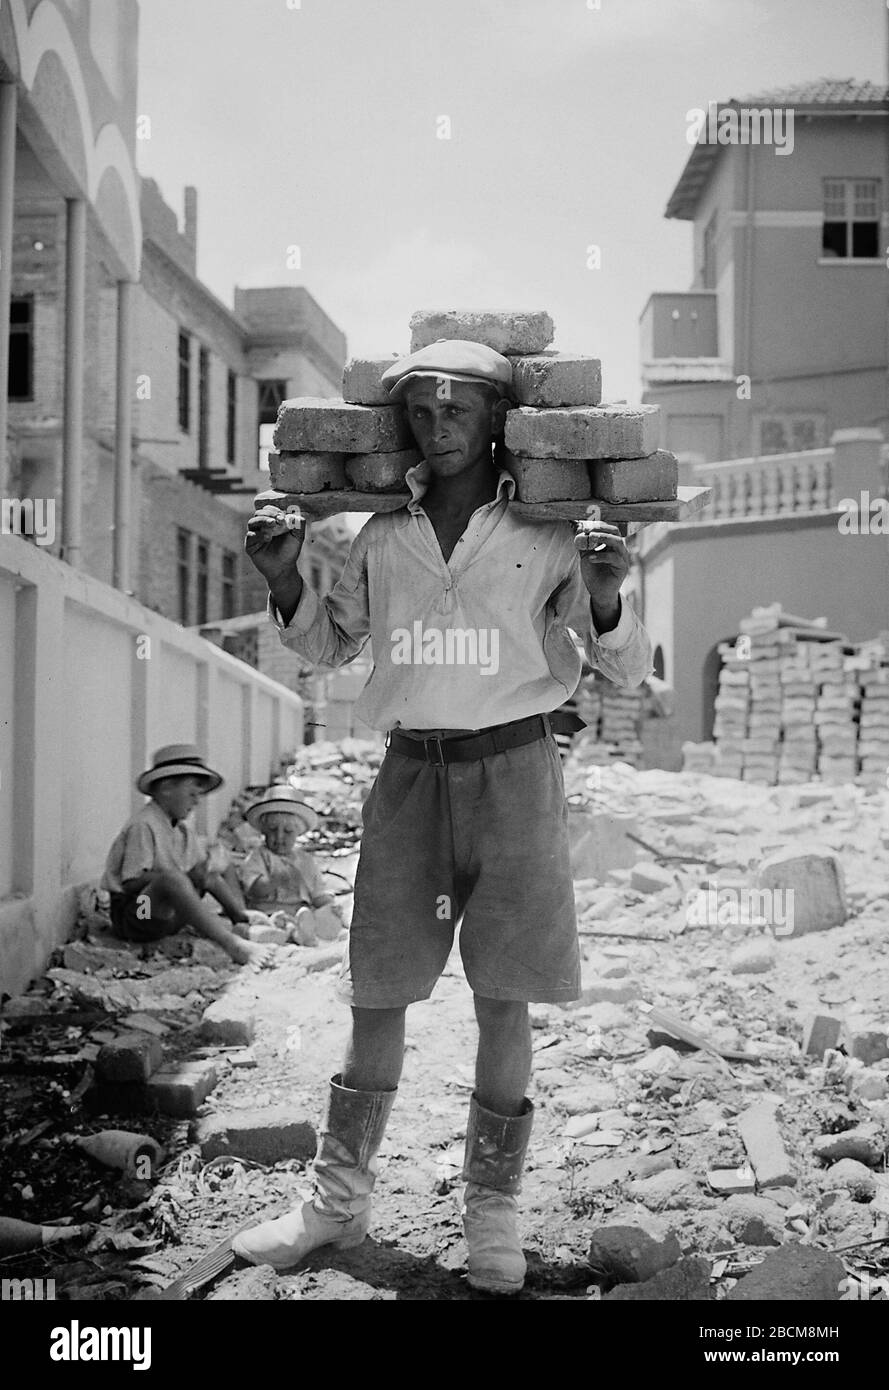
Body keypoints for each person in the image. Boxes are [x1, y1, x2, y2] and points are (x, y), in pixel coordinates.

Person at [237, 340, 653, 1292]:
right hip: (408, 781)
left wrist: (605, 594)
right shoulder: (383, 536)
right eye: (421, 410)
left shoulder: (552, 533)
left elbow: (623, 670)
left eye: (459, 407)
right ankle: (336, 1205)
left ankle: (491, 1214)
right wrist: (284, 575)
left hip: (514, 775)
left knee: (502, 997)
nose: (440, 424)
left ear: (497, 417)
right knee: (378, 989)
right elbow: (329, 647)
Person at [102, 744, 275, 971]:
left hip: (166, 917)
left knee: (208, 876)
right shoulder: (144, 825)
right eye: (192, 794)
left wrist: (200, 872)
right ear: (165, 788)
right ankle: (232, 945)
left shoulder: (181, 830)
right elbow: (131, 882)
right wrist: (177, 878)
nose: (196, 802)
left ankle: (241, 919)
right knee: (172, 880)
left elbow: (200, 873)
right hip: (138, 915)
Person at [239, 784, 344, 943]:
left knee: (324, 916)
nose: (279, 837)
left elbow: (317, 895)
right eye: (273, 830)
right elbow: (254, 890)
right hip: (267, 912)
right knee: (261, 926)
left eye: (287, 832)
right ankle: (288, 934)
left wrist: (330, 905)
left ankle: (304, 932)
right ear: (263, 831)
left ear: (298, 833)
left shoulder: (305, 861)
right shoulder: (258, 857)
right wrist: (274, 879)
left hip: (299, 913)